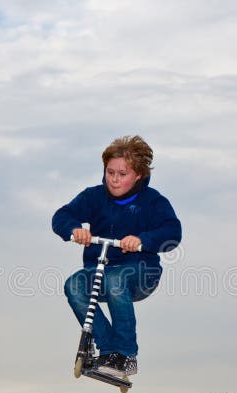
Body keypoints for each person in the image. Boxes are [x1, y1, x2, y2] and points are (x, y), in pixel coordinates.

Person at [52, 135, 182, 377]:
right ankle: (109, 350)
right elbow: (61, 215)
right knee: (74, 285)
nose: (114, 179)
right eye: (110, 172)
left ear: (139, 175)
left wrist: (143, 239)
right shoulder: (94, 197)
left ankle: (126, 354)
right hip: (100, 269)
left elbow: (173, 232)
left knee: (115, 280)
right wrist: (74, 229)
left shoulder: (153, 202)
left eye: (122, 174)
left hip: (141, 272)